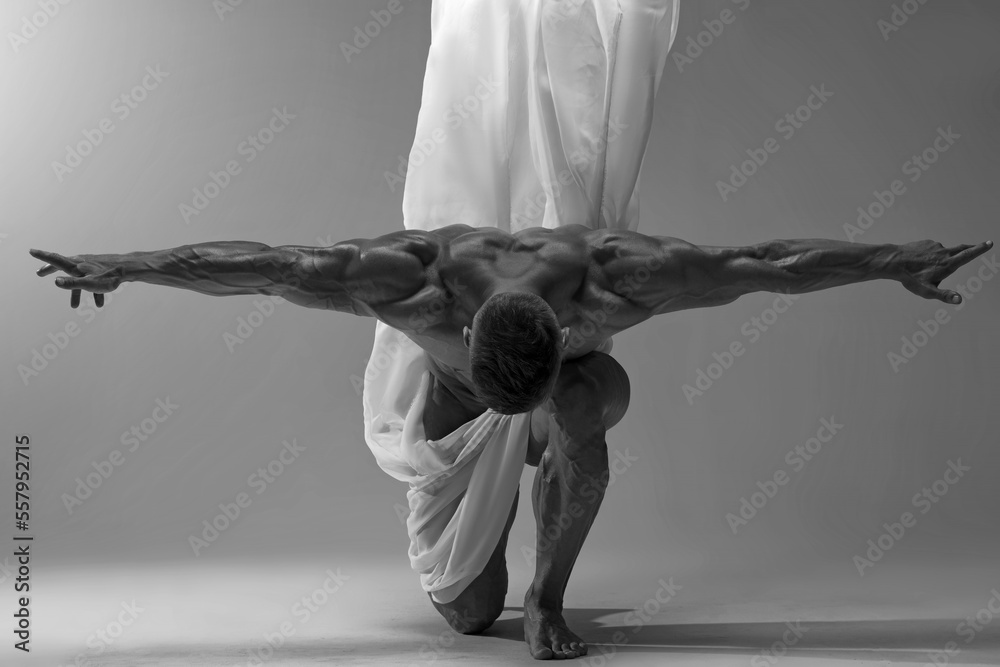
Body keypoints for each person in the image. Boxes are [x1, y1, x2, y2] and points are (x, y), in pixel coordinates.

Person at [28, 0, 995, 660]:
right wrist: (131, 265)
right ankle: (500, 585)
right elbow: (267, 267)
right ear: (463, 325)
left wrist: (892, 259)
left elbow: (767, 266)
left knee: (599, 402)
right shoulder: (410, 281)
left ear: (569, 322)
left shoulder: (616, 279)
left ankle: (551, 598)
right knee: (464, 609)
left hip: (572, 379)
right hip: (455, 407)